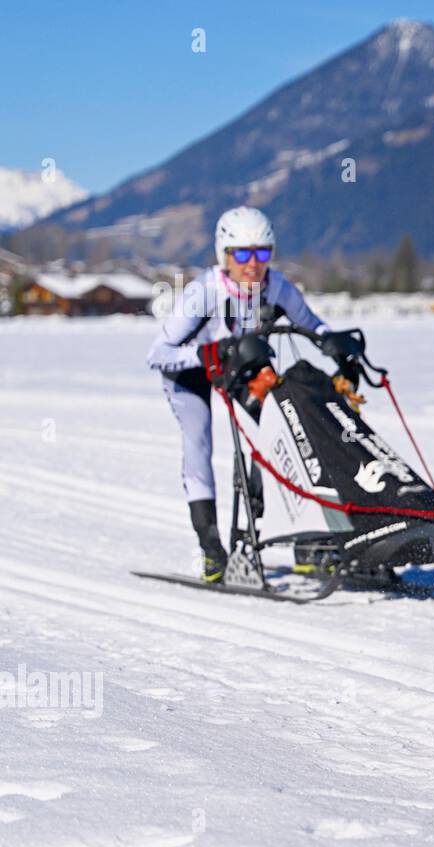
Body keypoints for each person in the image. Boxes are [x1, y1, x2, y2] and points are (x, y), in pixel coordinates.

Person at [146, 206, 352, 582]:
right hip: (189, 372)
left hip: (238, 365)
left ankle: (301, 540)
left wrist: (336, 346)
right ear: (223, 255)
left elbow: (312, 326)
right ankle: (211, 549)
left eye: (262, 252)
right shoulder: (204, 292)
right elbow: (158, 354)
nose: (253, 264)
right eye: (242, 253)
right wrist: (205, 353)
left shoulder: (277, 287)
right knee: (199, 442)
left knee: (284, 431)